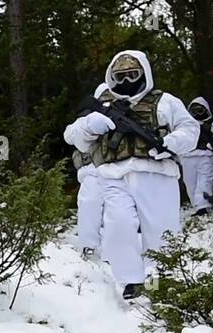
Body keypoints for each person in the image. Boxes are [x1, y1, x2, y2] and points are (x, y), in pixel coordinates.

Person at [64, 50, 199, 300]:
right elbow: (73, 137)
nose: (126, 82)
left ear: (144, 73)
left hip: (156, 172)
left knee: (161, 230)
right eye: (121, 76)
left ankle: (162, 280)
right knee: (118, 226)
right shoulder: (102, 104)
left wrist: (169, 143)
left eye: (133, 75)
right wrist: (89, 126)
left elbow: (191, 129)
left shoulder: (165, 101)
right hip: (113, 174)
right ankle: (131, 280)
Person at [64, 82, 109, 260]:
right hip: (92, 170)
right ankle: (88, 246)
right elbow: (69, 135)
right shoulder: (87, 117)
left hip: (118, 170)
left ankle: (114, 249)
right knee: (89, 206)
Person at [180, 97, 213, 216]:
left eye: (200, 110)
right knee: (190, 183)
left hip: (206, 156)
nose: (197, 114)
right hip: (187, 157)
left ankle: (203, 207)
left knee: (204, 182)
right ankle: (197, 206)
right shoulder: (186, 125)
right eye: (194, 111)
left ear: (206, 110)